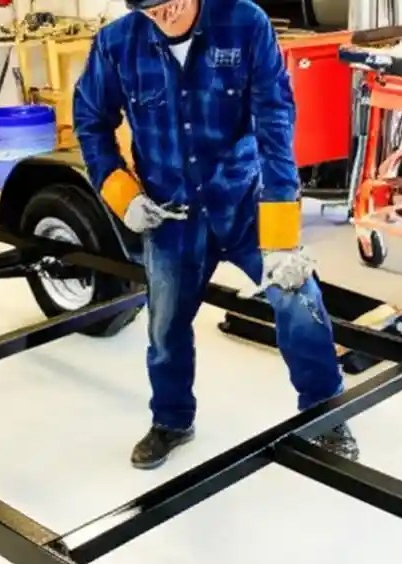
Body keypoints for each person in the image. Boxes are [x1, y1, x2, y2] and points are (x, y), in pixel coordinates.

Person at [72, 0, 359, 470]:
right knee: (164, 325)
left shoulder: (245, 23)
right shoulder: (116, 43)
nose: (164, 15)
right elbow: (91, 121)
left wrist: (282, 236)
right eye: (150, 8)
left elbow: (275, 122)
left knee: (298, 296)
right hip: (171, 214)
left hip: (243, 203)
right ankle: (171, 420)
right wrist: (122, 195)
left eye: (171, 2)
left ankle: (325, 415)